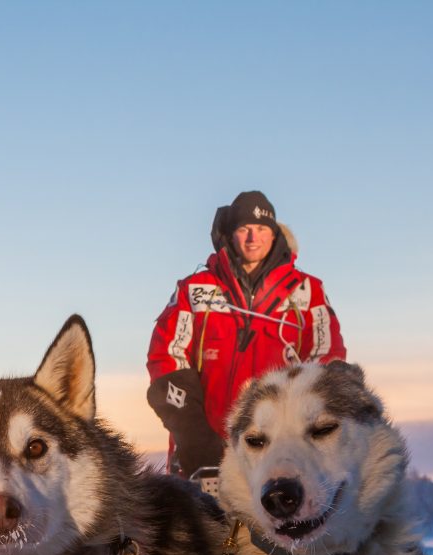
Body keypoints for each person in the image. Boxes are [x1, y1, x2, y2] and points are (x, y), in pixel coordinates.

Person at [145, 191, 347, 479]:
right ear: (230, 234)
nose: (253, 237)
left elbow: (327, 363)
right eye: (244, 229)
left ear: (275, 233)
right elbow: (166, 359)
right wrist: (193, 436)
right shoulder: (194, 290)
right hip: (202, 456)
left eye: (262, 228)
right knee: (204, 525)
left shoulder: (307, 292)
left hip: (283, 455)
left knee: (277, 524)